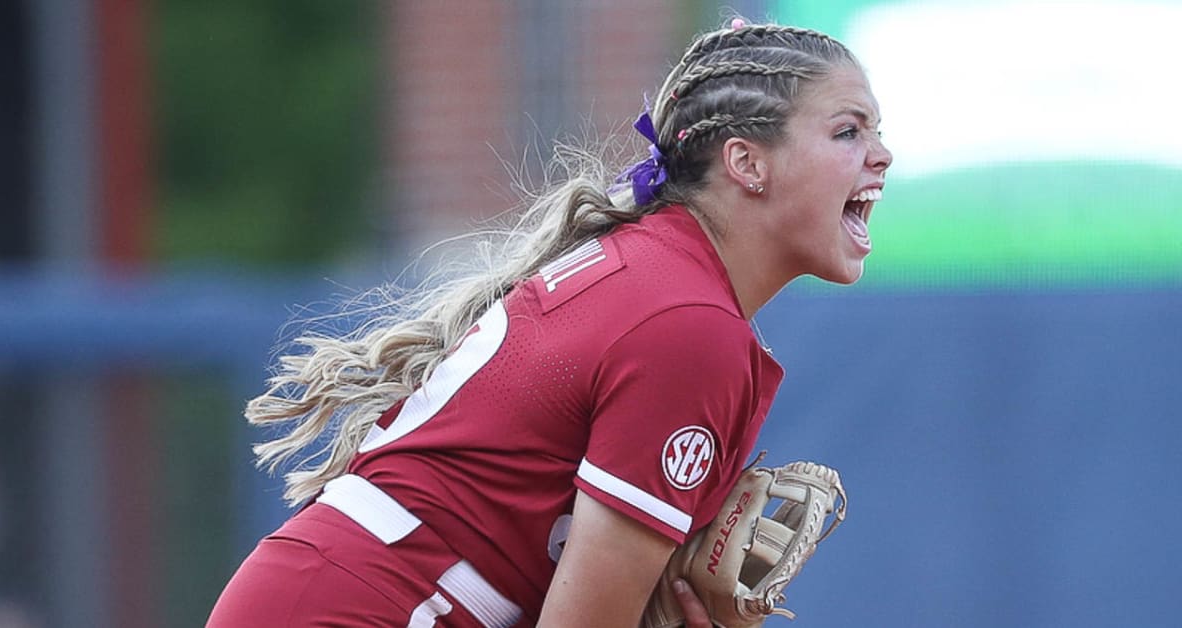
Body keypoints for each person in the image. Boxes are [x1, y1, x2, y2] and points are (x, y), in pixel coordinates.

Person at [208, 17, 891, 628]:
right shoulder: (690, 324)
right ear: (746, 162)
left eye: (876, 133)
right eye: (847, 130)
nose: (881, 155)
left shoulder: (660, 274)